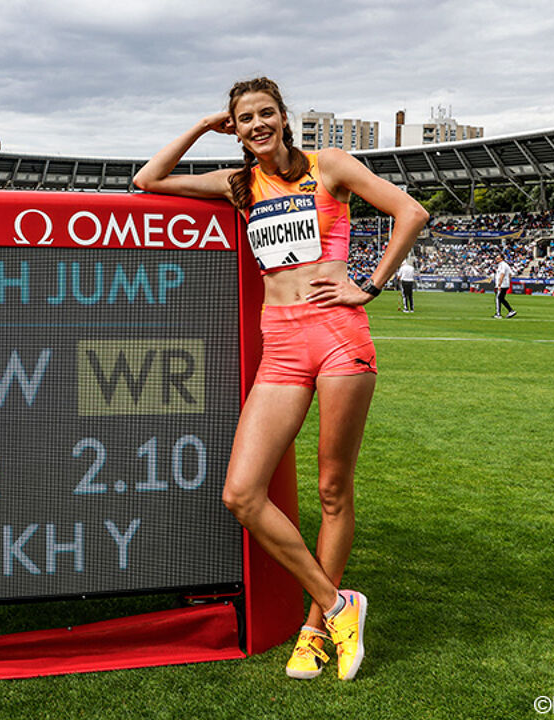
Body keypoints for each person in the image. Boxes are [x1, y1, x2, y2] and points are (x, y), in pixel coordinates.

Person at [133, 77, 428, 682]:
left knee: (331, 491)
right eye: (245, 118)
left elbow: (411, 212)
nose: (257, 124)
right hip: (283, 344)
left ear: (285, 116)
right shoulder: (239, 184)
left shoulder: (330, 165)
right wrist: (203, 124)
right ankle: (337, 602)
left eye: (266, 113)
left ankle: (315, 633)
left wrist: (368, 285)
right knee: (241, 493)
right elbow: (149, 179)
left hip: (340, 334)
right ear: (235, 129)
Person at [493, 253, 517, 318]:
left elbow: (502, 274)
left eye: (498, 258)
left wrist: (499, 284)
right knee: (501, 298)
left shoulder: (502, 265)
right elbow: (510, 274)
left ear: (502, 259)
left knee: (498, 298)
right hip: (505, 284)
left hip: (502, 284)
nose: (496, 259)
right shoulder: (505, 265)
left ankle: (498, 314)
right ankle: (511, 311)